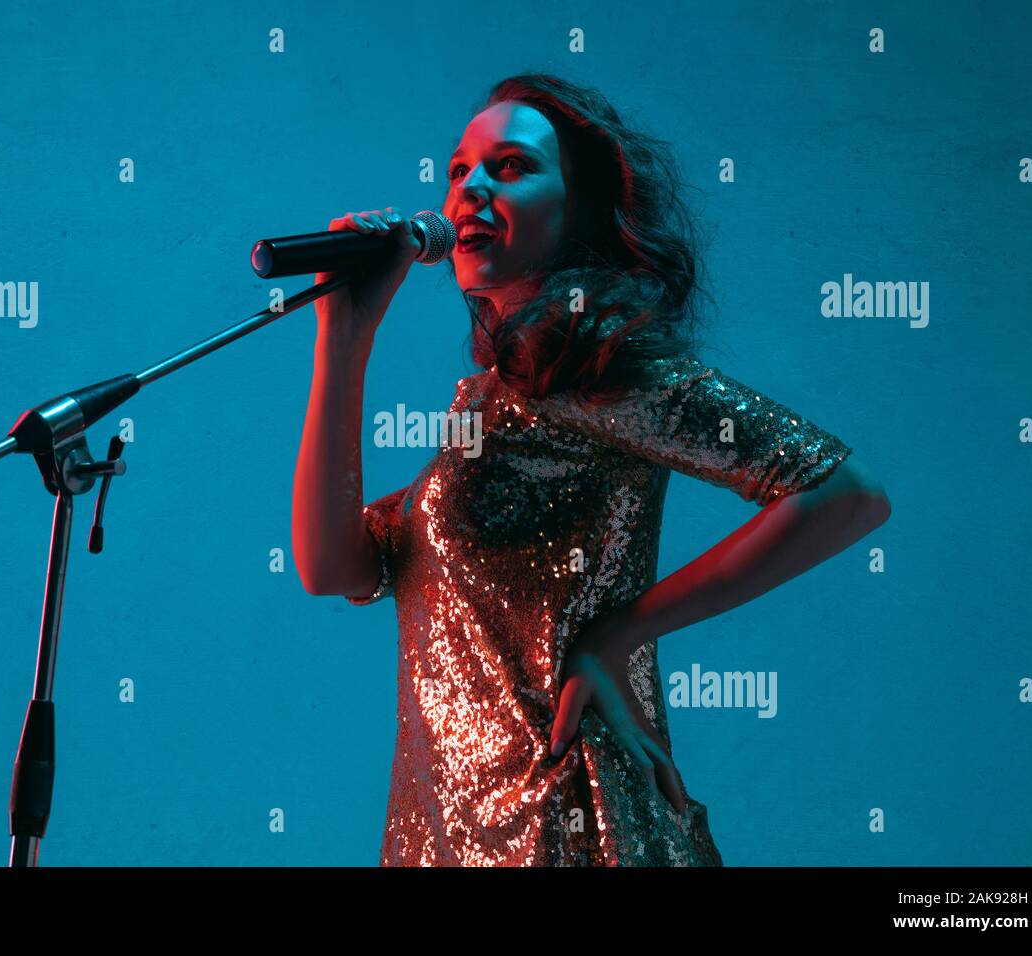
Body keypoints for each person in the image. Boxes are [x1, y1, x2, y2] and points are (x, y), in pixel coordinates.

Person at [292, 73, 890, 866]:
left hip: (556, 824)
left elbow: (847, 495)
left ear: (577, 209)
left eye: (508, 168)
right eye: (458, 169)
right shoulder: (492, 406)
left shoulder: (599, 365)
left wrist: (623, 630)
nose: (468, 189)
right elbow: (333, 566)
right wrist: (345, 333)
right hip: (443, 828)